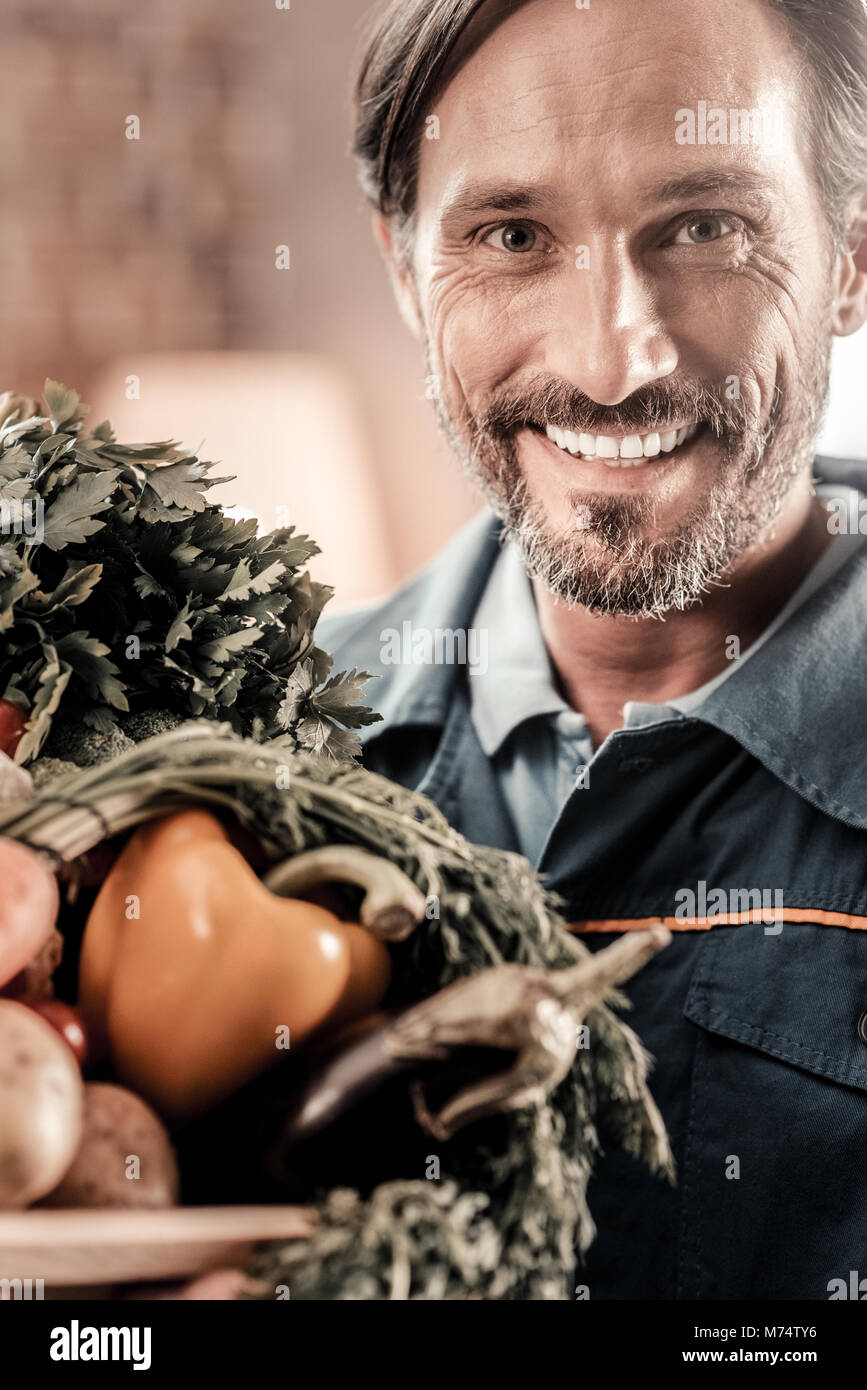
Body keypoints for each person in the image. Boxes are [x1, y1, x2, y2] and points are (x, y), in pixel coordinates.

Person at [320, 0, 867, 1300]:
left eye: (707, 227)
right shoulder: (257, 745)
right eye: (512, 236)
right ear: (404, 268)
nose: (612, 361)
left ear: (851, 253)